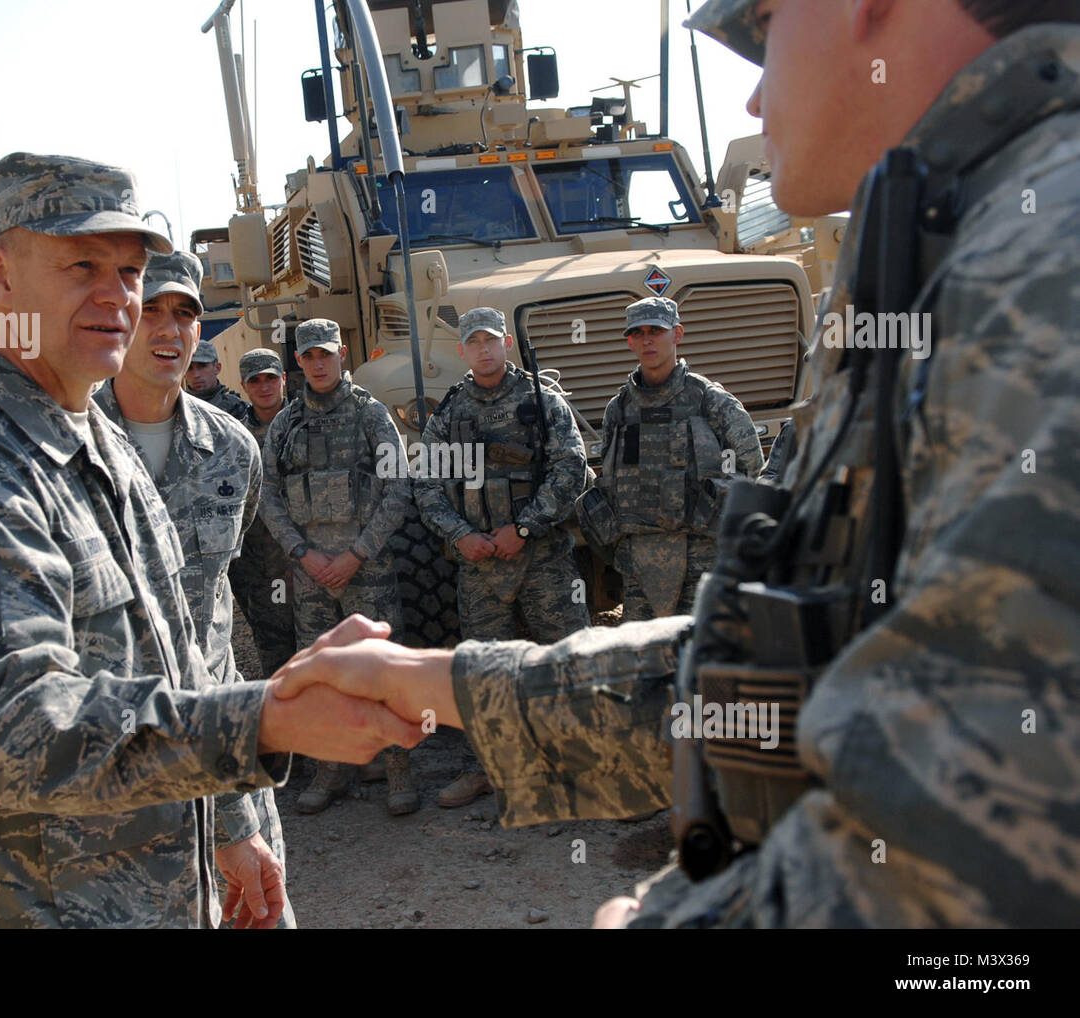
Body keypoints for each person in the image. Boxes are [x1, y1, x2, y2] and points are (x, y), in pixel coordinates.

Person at [270, 0, 1080, 928]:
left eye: (765, 30)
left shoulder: (1036, 259)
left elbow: (997, 807)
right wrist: (448, 684)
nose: (754, 96)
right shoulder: (963, 235)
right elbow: (811, 666)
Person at [0, 152, 419, 929]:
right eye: (81, 264)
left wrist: (227, 822)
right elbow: (14, 732)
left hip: (159, 888)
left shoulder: (93, 440)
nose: (117, 296)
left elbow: (178, 654)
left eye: (129, 271)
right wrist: (267, 720)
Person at [93, 250, 295, 929]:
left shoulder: (233, 450)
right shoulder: (59, 448)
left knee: (259, 914)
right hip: (114, 762)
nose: (170, 330)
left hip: (220, 733)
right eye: (150, 309)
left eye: (185, 313)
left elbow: (215, 604)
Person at [414, 306, 590, 809]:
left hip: (542, 559)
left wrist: (525, 527)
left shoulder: (541, 400)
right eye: (474, 343)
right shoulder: (450, 412)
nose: (484, 349)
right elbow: (425, 483)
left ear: (506, 343)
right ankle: (488, 768)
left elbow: (570, 468)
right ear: (463, 351)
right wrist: (461, 535)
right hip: (480, 564)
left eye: (492, 340)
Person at [259, 318, 417, 816]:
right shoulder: (285, 424)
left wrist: (356, 554)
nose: (318, 363)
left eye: (326, 353)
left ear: (343, 353)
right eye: (308, 356)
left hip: (365, 568)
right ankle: (332, 768)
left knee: (381, 668)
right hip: (309, 574)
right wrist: (304, 554)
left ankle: (397, 769)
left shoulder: (371, 416)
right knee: (320, 673)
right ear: (298, 361)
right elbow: (267, 494)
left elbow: (398, 487)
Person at [588, 296, 762, 621]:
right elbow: (610, 480)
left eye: (656, 330)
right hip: (639, 561)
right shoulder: (620, 408)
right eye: (637, 333)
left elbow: (750, 469)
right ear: (630, 341)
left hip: (702, 560)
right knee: (644, 657)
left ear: (677, 334)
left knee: (700, 655)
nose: (647, 340)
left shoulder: (711, 401)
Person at [227, 348, 297, 678]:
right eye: (255, 381)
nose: (264, 387)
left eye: (271, 378)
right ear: (244, 386)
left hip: (310, 563)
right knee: (275, 653)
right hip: (262, 569)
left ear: (283, 379)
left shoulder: (305, 425)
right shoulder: (235, 439)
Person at [186, 339, 251, 421]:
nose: (196, 375)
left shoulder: (236, 408)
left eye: (202, 366)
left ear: (217, 368)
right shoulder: (174, 408)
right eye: (189, 368)